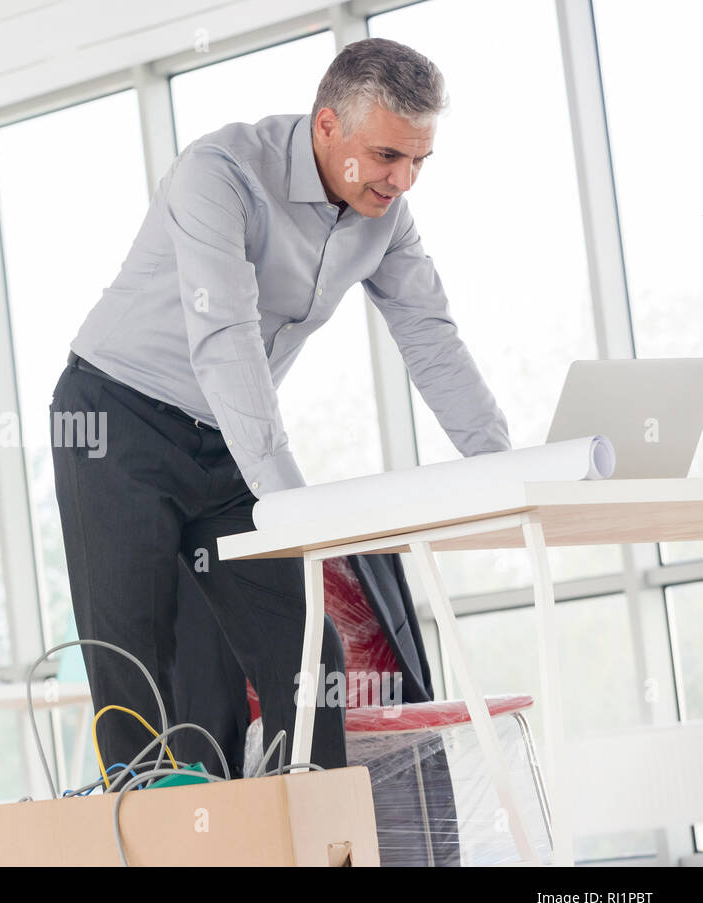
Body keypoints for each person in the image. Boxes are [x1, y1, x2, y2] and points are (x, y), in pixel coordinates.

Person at [50, 37, 510, 776]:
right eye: (389, 155)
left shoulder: (386, 215)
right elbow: (225, 336)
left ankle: (323, 835)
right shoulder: (219, 174)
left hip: (226, 437)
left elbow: (429, 336)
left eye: (421, 160)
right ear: (326, 125)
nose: (404, 179)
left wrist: (500, 470)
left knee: (303, 646)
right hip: (118, 419)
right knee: (135, 654)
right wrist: (294, 509)